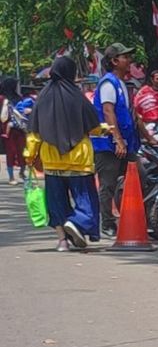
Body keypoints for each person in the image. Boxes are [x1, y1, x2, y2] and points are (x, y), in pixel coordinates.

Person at [25, 56, 103, 251]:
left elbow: (34, 132)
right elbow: (93, 127)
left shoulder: (42, 97)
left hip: (51, 160)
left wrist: (30, 157)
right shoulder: (77, 97)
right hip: (79, 160)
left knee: (56, 203)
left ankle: (62, 242)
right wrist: (106, 129)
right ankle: (76, 223)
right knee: (86, 200)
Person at [92, 43, 153, 237]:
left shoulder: (123, 85)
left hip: (126, 144)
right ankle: (107, 223)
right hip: (108, 144)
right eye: (125, 57)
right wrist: (117, 140)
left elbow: (134, 116)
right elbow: (108, 112)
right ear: (114, 61)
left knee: (140, 176)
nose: (129, 60)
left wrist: (150, 138)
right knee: (107, 184)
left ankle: (134, 216)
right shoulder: (108, 83)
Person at [0, 77, 26, 184]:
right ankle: (11, 176)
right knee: (11, 152)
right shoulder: (2, 99)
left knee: (21, 151)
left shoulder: (19, 98)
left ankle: (22, 172)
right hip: (8, 129)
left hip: (18, 128)